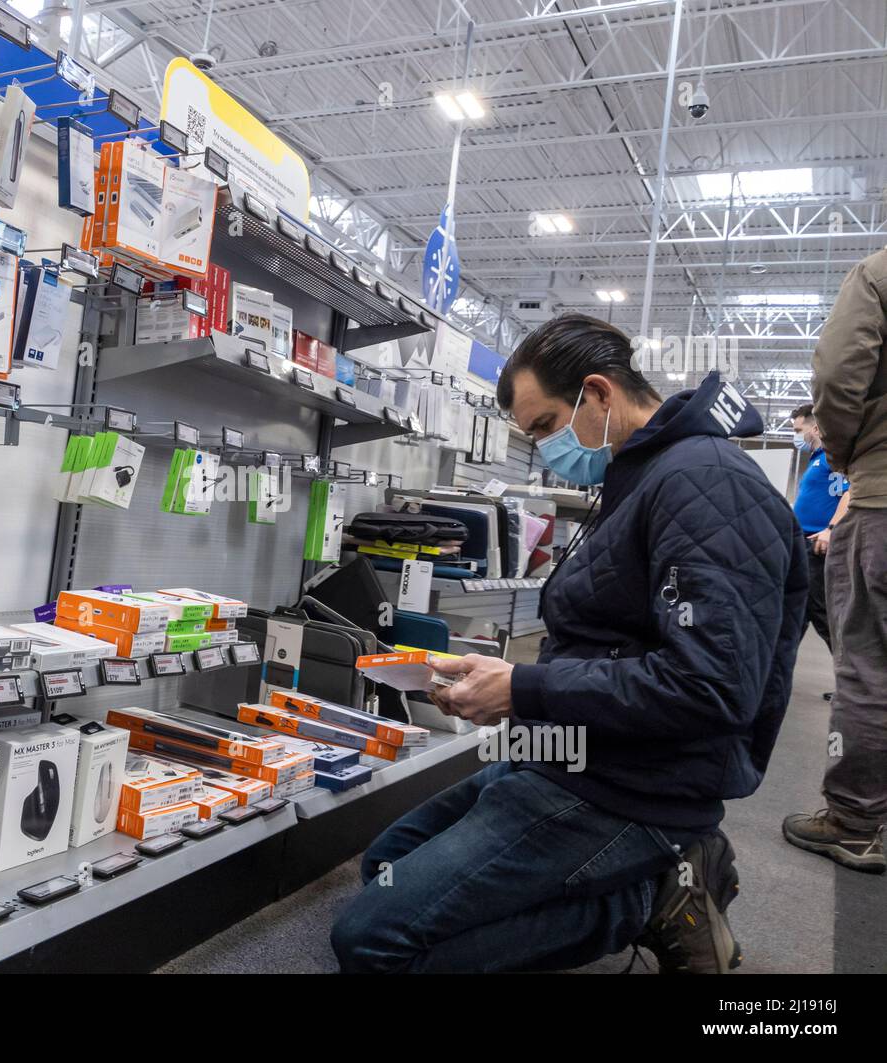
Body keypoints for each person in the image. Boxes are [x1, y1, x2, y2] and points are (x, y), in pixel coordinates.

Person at [331, 315, 807, 974]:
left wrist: (523, 687)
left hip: (634, 789)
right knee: (386, 865)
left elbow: (714, 684)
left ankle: (650, 896)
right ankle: (601, 884)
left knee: (371, 938)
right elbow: (613, 637)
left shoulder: (705, 481)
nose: (545, 446)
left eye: (544, 425)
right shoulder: (639, 475)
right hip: (571, 756)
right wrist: (501, 675)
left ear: (599, 393)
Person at [783, 249, 887, 874]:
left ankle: (854, 821)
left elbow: (839, 373)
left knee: (869, 667)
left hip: (881, 501)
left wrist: (849, 460)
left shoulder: (877, 273)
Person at [789, 404, 849, 652]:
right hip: (803, 542)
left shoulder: (830, 458)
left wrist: (831, 529)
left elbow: (849, 494)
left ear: (814, 427)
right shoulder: (816, 460)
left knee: (820, 611)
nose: (795, 435)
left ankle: (854, 679)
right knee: (796, 613)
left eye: (798, 429)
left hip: (818, 545)